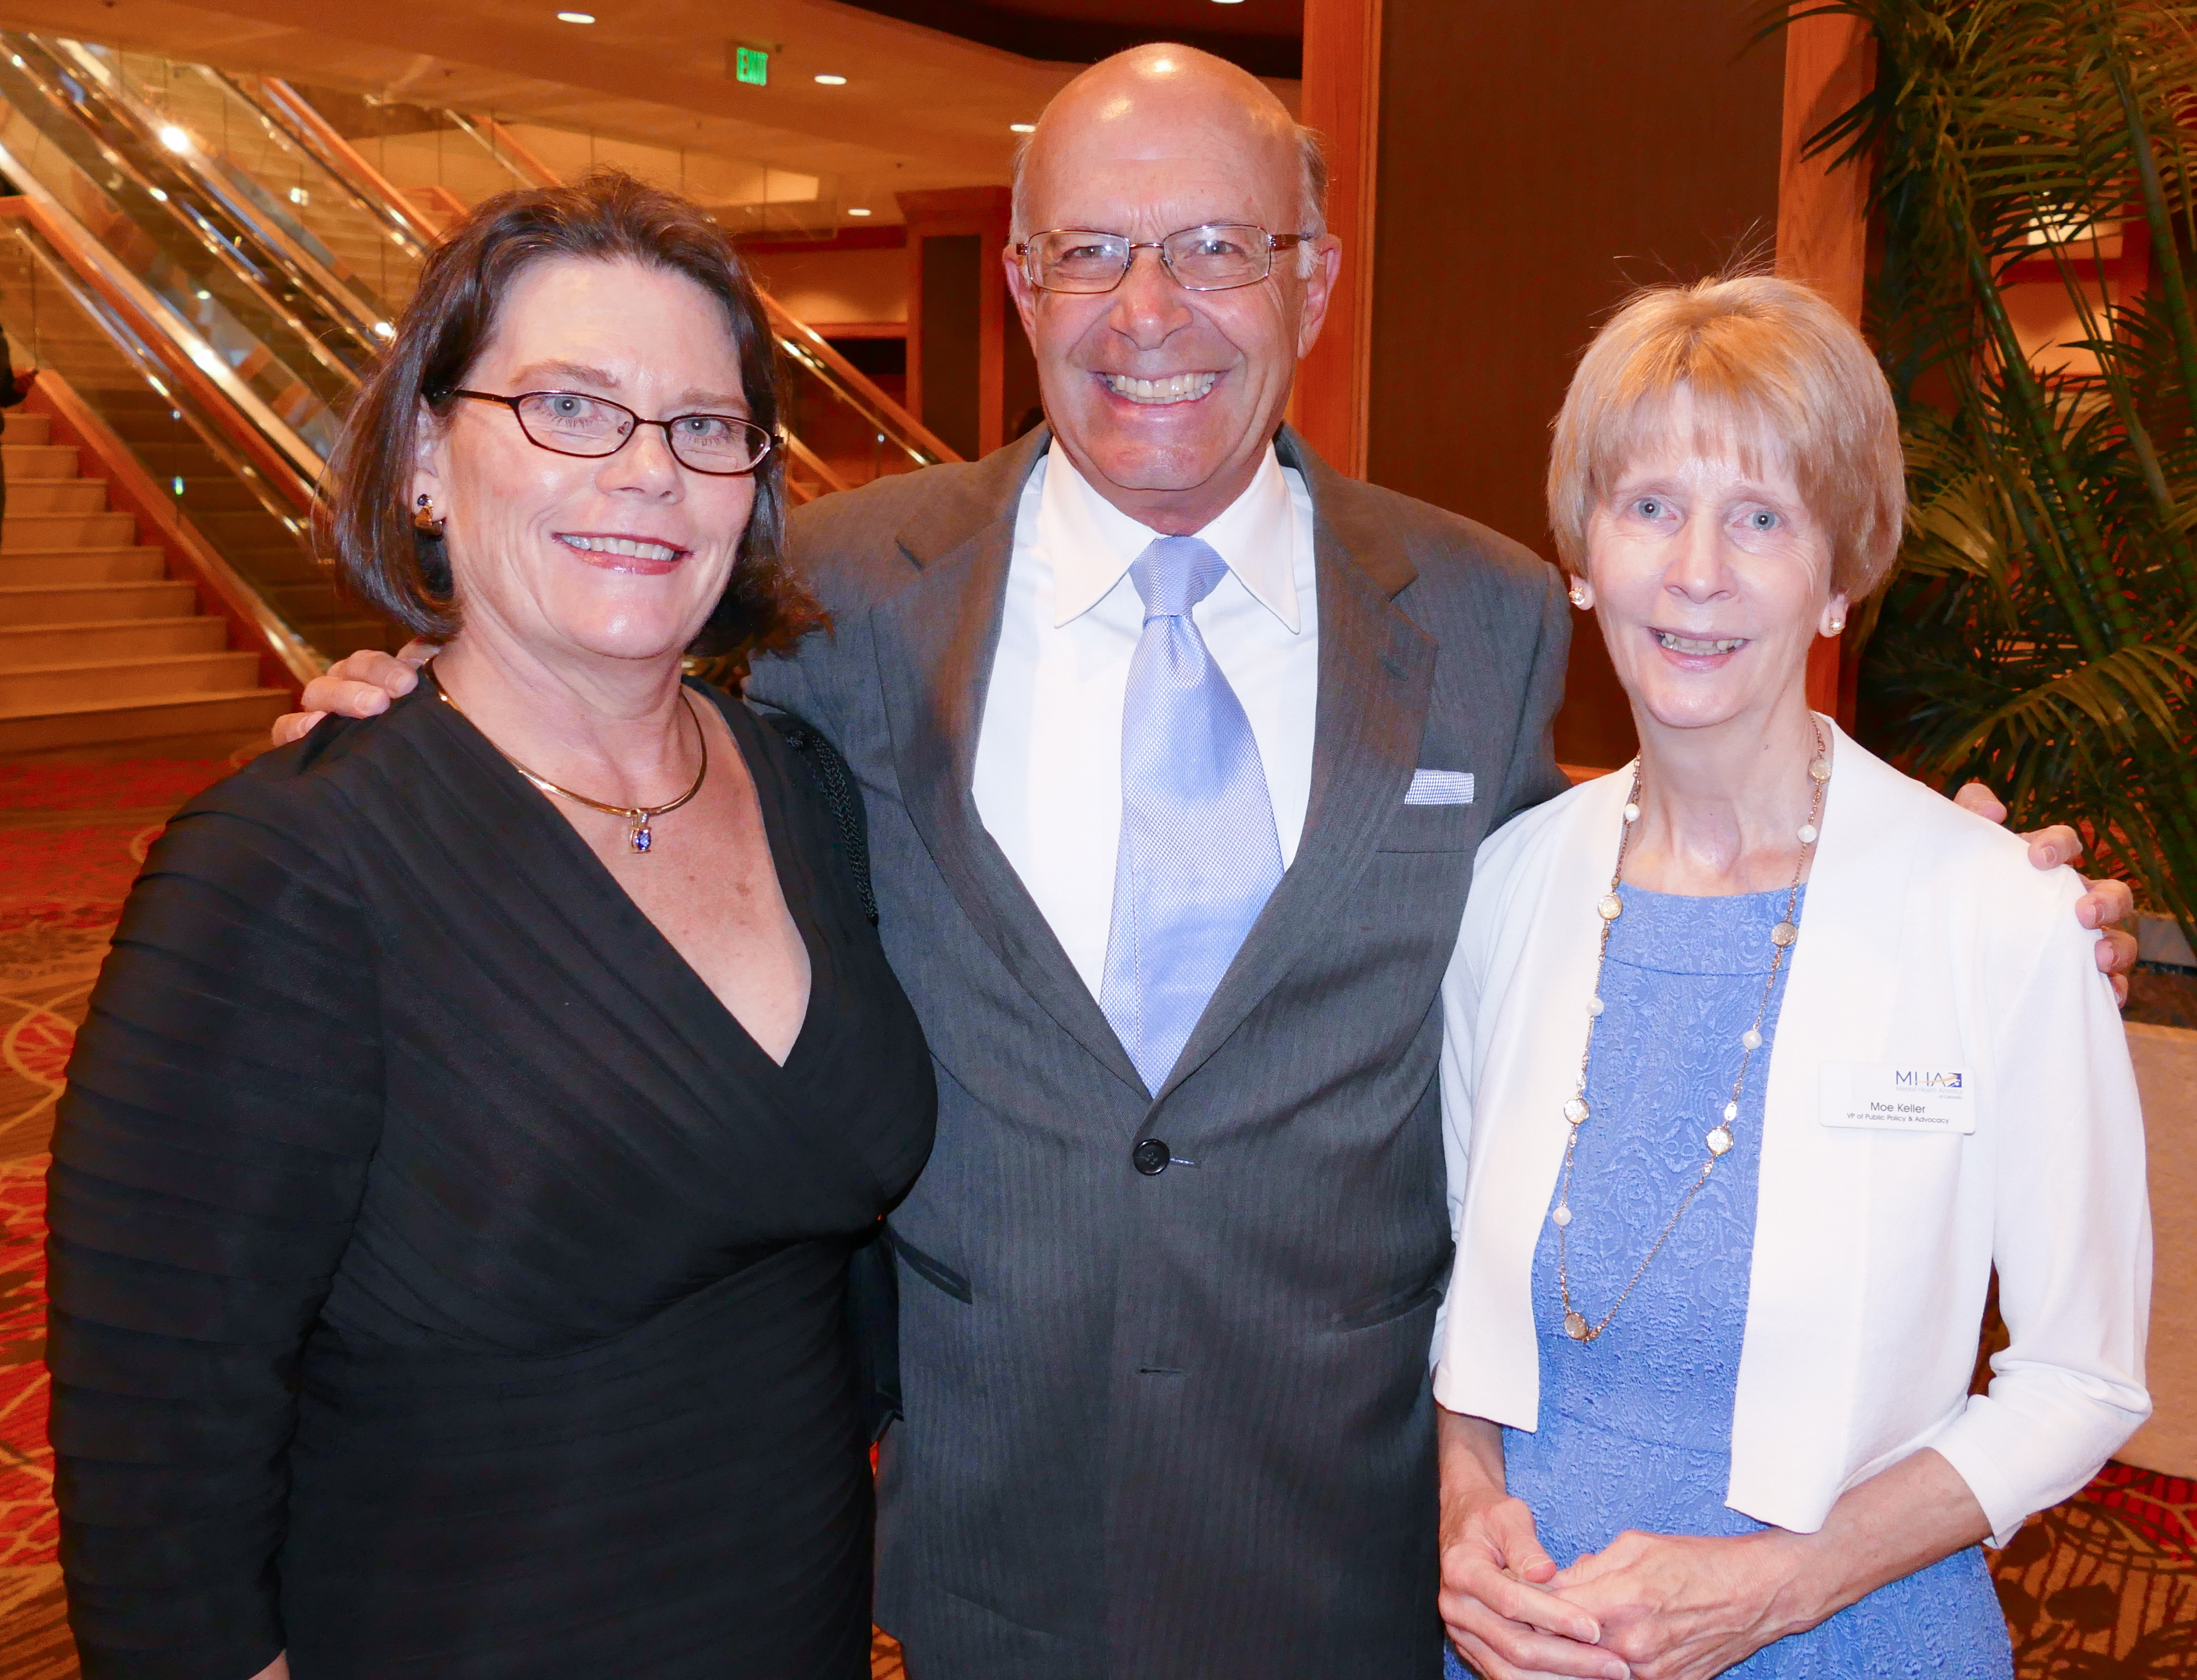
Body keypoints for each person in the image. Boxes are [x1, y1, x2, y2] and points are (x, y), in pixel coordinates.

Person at [276, 48, 2138, 1678]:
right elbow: (610, 730)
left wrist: (1967, 907)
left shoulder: (1483, 617)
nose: (1146, 305)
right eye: (1089, 247)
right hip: (978, 1530)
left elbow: (1642, 910)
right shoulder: (826, 596)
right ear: (1020, 278)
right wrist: (418, 714)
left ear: (1312, 279)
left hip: (1368, 1544)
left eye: (1217, 247)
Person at [47, 172, 935, 1680]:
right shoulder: (287, 865)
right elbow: (158, 1446)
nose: (647, 473)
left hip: (790, 1613)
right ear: (423, 461)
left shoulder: (803, 785)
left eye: (702, 426)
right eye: (571, 408)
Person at [1433, 275, 2150, 1680]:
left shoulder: (1993, 910)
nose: (1695, 568)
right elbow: (1456, 1294)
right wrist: (1461, 1516)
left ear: (1837, 573)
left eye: (1759, 517)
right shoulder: (1508, 886)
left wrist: (1774, 1588)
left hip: (1845, 1643)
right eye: (1647, 506)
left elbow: (2079, 1375)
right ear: (1582, 550)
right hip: (1522, 1646)